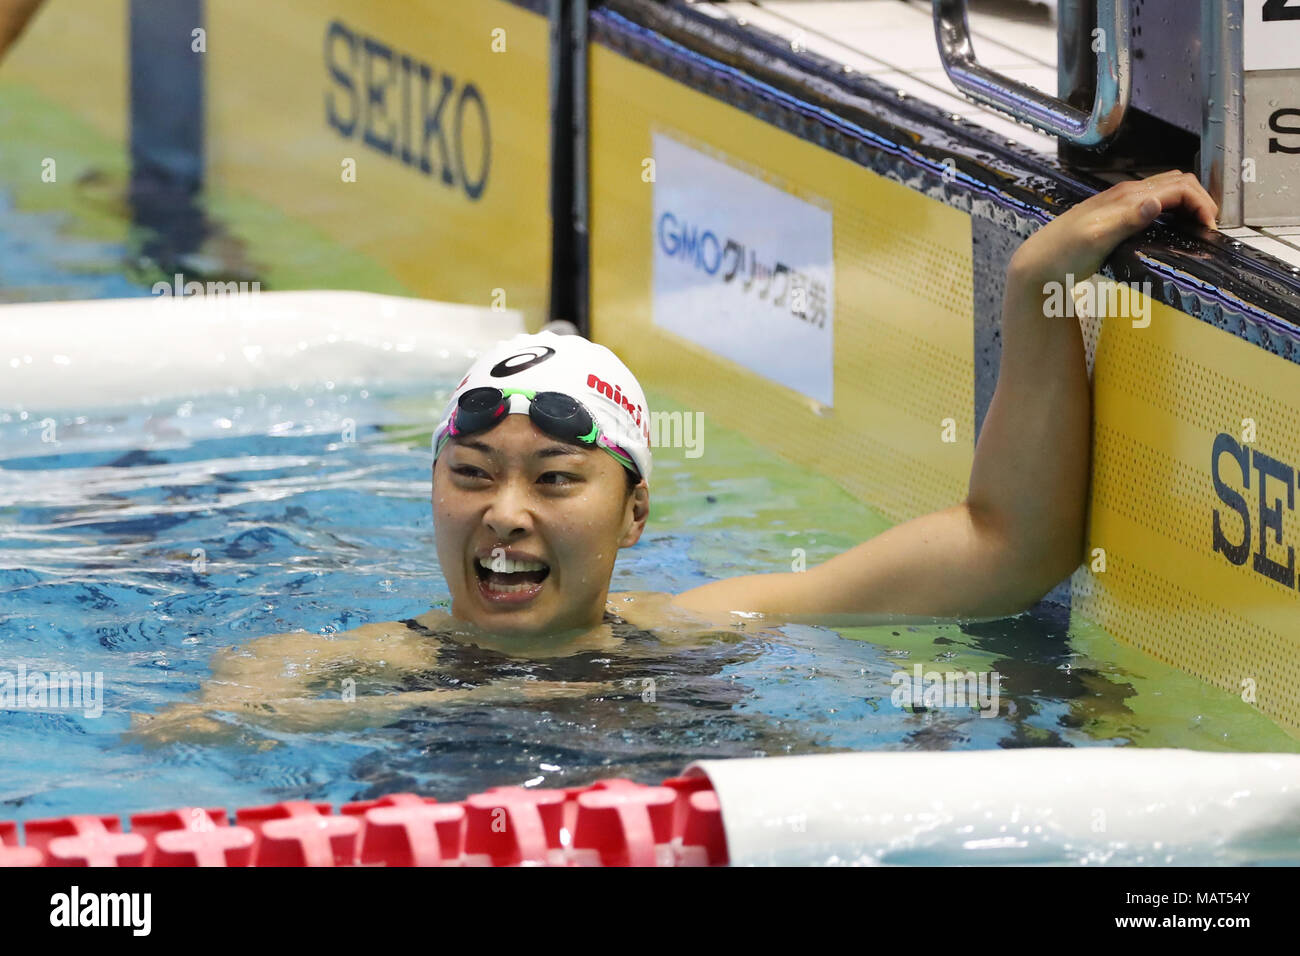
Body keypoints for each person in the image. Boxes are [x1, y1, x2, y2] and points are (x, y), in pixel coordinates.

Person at [131, 171, 1219, 743]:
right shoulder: (349, 668)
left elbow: (1004, 548)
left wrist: (1039, 283)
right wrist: (239, 701)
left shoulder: (711, 627)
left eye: (555, 478)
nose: (504, 511)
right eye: (471, 474)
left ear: (635, 511)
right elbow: (183, 737)